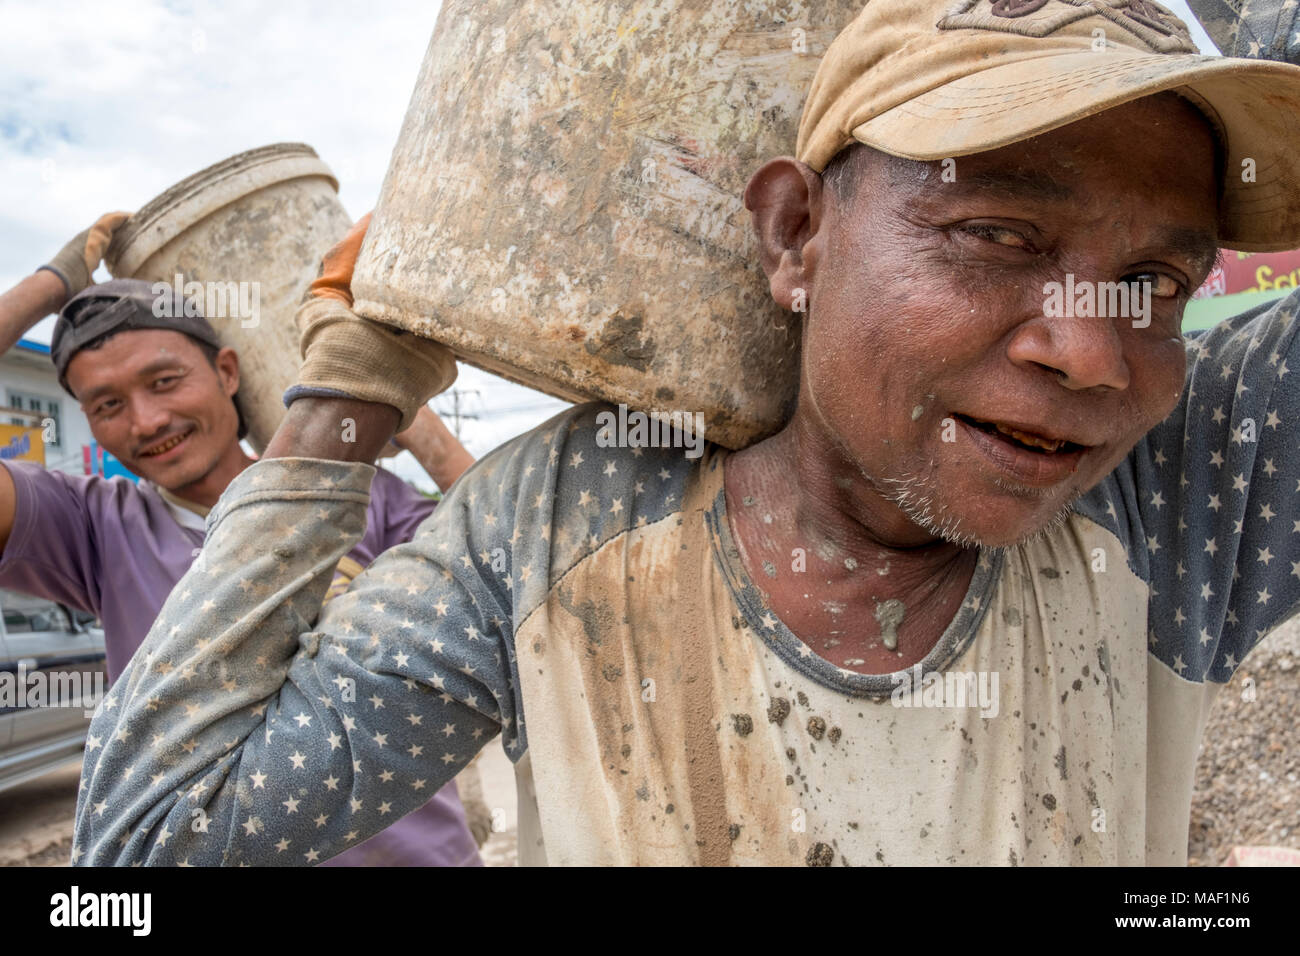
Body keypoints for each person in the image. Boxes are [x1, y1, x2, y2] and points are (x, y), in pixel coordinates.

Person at [75, 0, 1300, 865]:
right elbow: (159, 833)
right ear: (794, 235)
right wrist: (349, 392)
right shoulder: (563, 524)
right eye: (996, 236)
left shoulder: (1175, 488)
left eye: (1153, 281)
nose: (1090, 351)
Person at [0, 233, 481, 867]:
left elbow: (502, 561)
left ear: (226, 372)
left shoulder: (362, 492)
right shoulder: (93, 525)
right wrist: (50, 287)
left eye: (165, 381)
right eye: (107, 405)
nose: (145, 422)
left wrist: (405, 409)